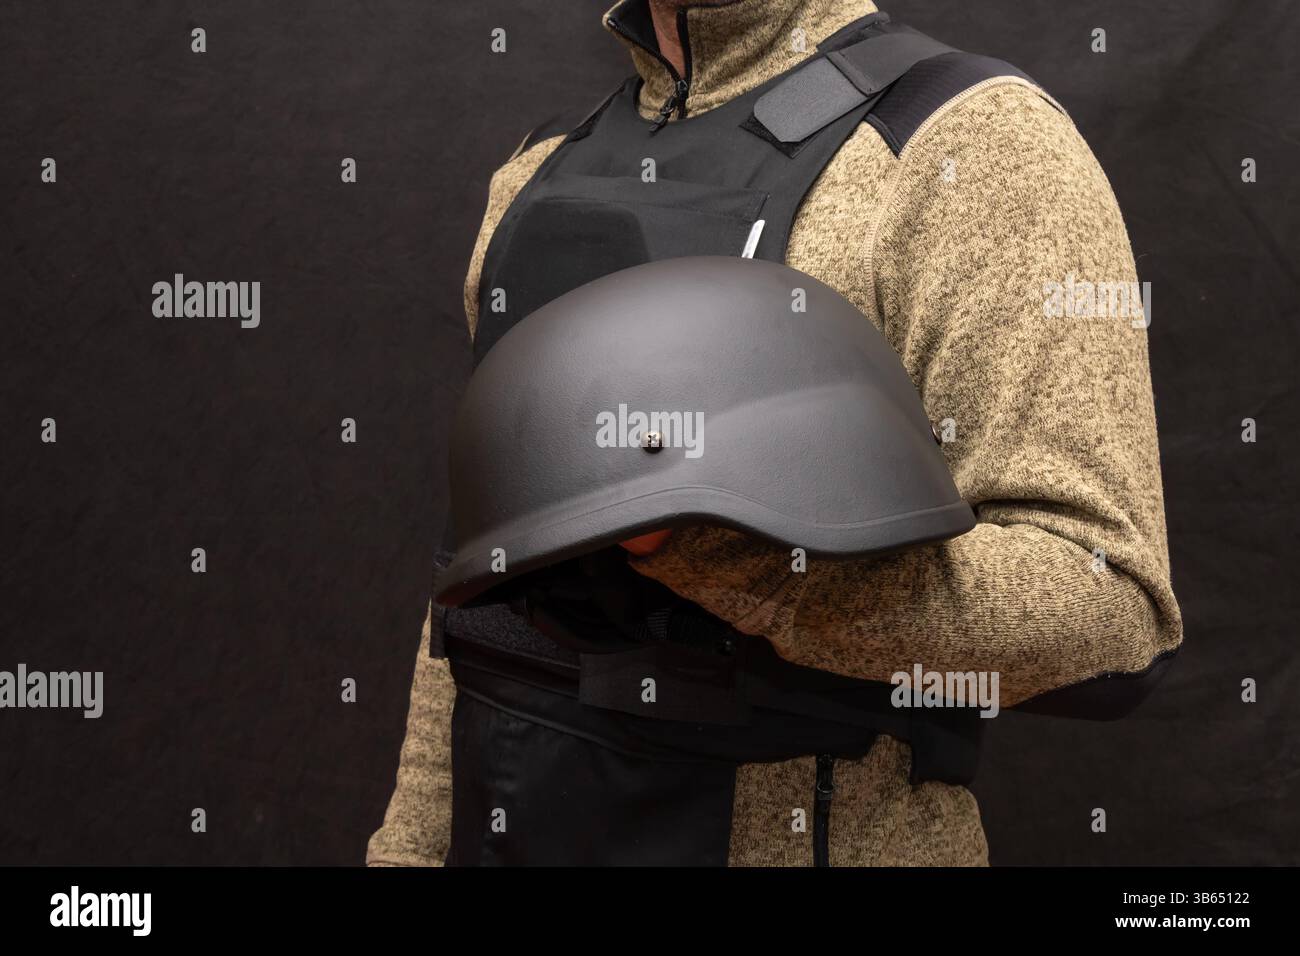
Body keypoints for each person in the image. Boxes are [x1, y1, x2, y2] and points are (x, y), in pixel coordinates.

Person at [367, 0, 1182, 867]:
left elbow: (1112, 611)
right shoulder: (535, 175)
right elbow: (470, 602)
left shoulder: (973, 147)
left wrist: (730, 557)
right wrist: (408, 849)